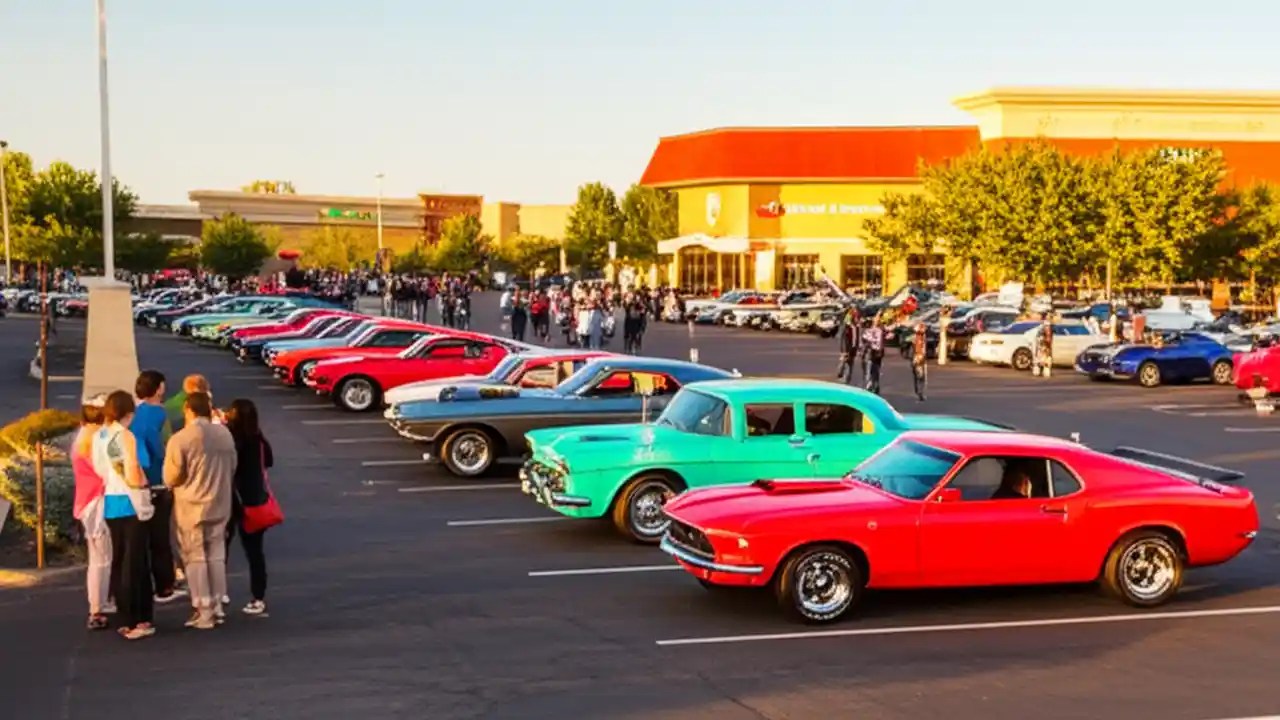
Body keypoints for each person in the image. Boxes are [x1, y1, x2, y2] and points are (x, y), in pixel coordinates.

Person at [164, 392, 237, 630]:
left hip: (191, 505)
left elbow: (171, 476)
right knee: (216, 553)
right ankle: (218, 604)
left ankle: (203, 608)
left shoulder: (181, 439)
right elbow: (233, 465)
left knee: (195, 556)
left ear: (188, 409)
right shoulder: (225, 435)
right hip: (220, 501)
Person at [97, 390, 156, 640]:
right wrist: (142, 483)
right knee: (136, 562)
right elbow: (132, 469)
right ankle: (138, 618)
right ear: (128, 414)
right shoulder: (126, 436)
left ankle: (124, 616)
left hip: (111, 502)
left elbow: (99, 468)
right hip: (131, 502)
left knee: (119, 560)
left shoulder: (100, 435)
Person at [131, 370, 183, 604]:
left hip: (138, 479)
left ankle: (144, 584)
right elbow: (157, 442)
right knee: (160, 536)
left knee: (142, 537)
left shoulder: (136, 412)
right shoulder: (158, 412)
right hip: (157, 478)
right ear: (159, 388)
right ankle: (164, 585)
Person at [224, 399, 273, 616]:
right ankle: (258, 596)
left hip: (232, 499)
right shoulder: (258, 439)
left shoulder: (232, 440)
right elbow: (269, 461)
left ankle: (219, 590)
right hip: (255, 500)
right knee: (255, 553)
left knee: (221, 547)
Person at [72, 394, 113, 630]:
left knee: (97, 557)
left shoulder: (82, 436)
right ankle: (98, 607)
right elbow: (105, 472)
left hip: (85, 502)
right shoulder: (97, 439)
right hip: (98, 502)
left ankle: (100, 602)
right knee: (102, 558)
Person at [863, 316, 886, 394]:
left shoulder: (881, 330)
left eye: (878, 320)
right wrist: (873, 340)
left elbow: (887, 336)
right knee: (870, 369)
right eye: (876, 320)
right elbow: (865, 337)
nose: (877, 322)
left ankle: (876, 386)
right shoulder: (870, 330)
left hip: (878, 353)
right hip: (871, 352)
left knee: (876, 370)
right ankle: (869, 385)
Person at [911, 322, 928, 402]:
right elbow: (917, 349)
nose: (924, 330)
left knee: (920, 376)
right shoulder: (917, 338)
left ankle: (919, 392)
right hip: (918, 358)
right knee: (920, 376)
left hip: (920, 358)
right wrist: (918, 357)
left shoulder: (922, 337)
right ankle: (919, 392)